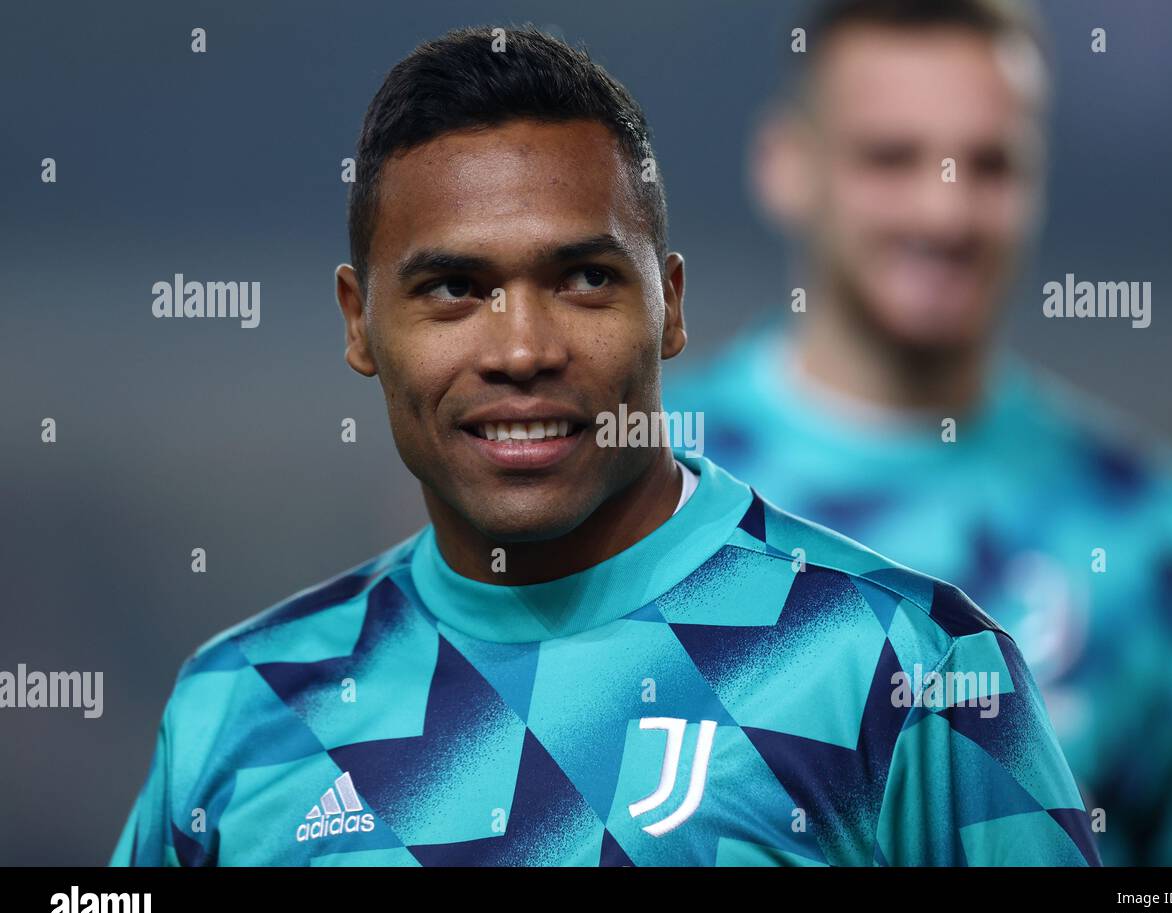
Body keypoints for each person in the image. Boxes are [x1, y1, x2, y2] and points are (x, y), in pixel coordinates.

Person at [110, 25, 1096, 867]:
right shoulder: (240, 710)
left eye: (583, 278)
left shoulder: (907, 664)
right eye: (452, 288)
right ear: (358, 323)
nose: (524, 349)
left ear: (669, 304)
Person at [665, 0, 1172, 865]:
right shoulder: (634, 481)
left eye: (990, 166)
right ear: (785, 166)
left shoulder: (1160, 539)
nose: (945, 214)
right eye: (892, 158)